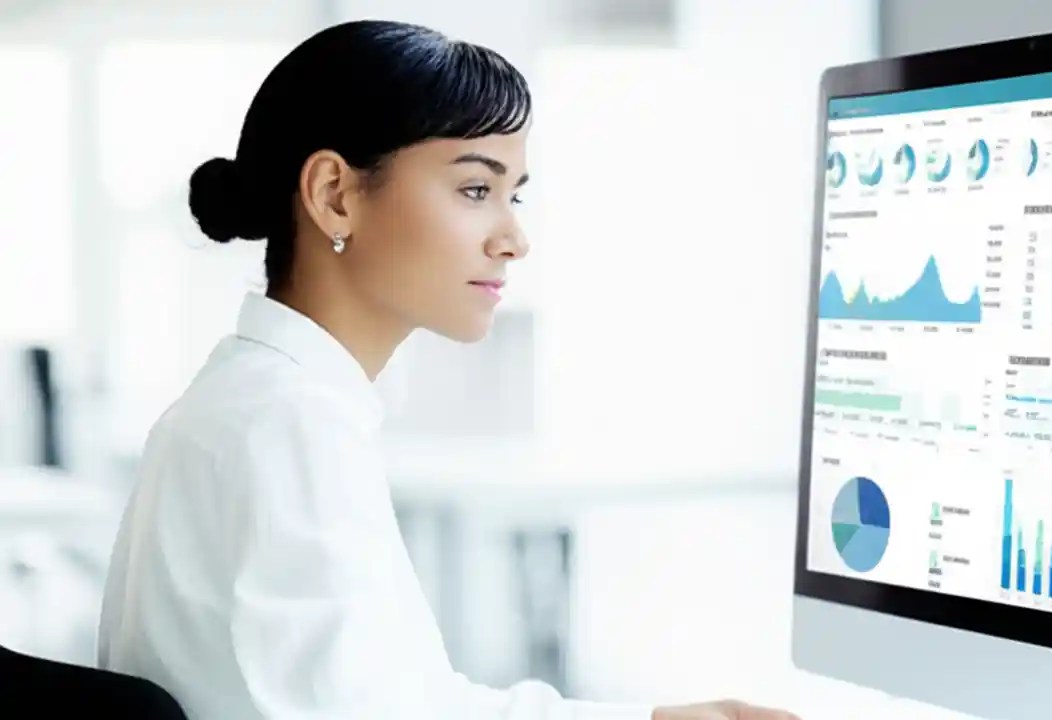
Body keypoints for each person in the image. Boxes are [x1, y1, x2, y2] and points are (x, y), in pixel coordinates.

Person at [96, 19, 802, 720]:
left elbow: (400, 704)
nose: (513, 238)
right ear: (335, 196)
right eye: (474, 190)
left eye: (513, 194)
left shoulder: (260, 401)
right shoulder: (286, 424)